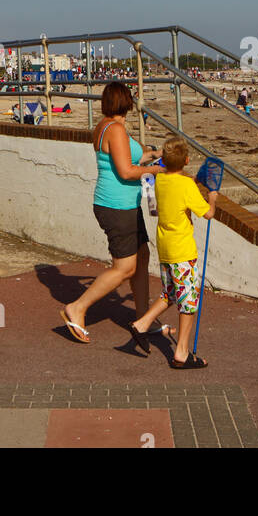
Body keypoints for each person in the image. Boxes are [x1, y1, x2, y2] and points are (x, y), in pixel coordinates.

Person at [59, 82, 161, 344]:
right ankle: (77, 308)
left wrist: (157, 154)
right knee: (125, 267)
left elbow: (132, 158)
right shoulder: (114, 129)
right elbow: (126, 171)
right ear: (125, 101)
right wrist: (159, 171)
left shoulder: (106, 125)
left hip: (124, 204)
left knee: (142, 256)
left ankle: (143, 318)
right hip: (117, 206)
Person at [131, 135, 218, 369]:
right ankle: (181, 352)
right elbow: (207, 214)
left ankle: (142, 324)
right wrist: (212, 198)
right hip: (182, 250)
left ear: (164, 160)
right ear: (187, 160)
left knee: (170, 293)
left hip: (165, 247)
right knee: (189, 300)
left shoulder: (160, 180)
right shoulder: (186, 185)